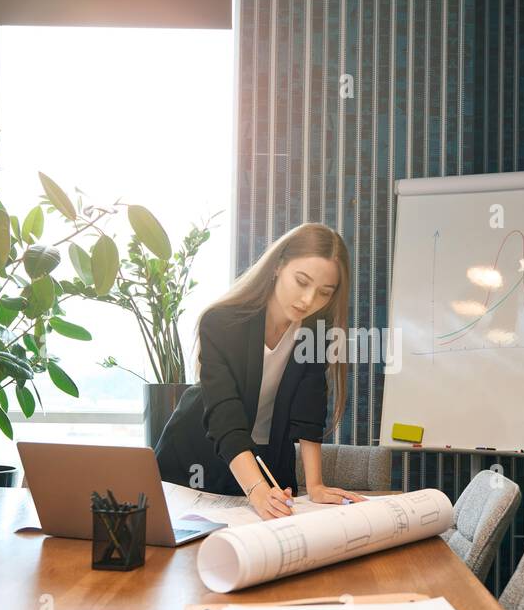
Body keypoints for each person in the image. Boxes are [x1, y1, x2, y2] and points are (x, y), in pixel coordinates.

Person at [154, 222, 366, 519]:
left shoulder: (317, 331)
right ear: (278, 266)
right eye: (302, 281)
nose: (309, 300)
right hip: (198, 455)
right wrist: (256, 490)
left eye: (324, 292)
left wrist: (315, 485)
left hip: (268, 458)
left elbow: (310, 408)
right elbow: (225, 416)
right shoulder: (221, 323)